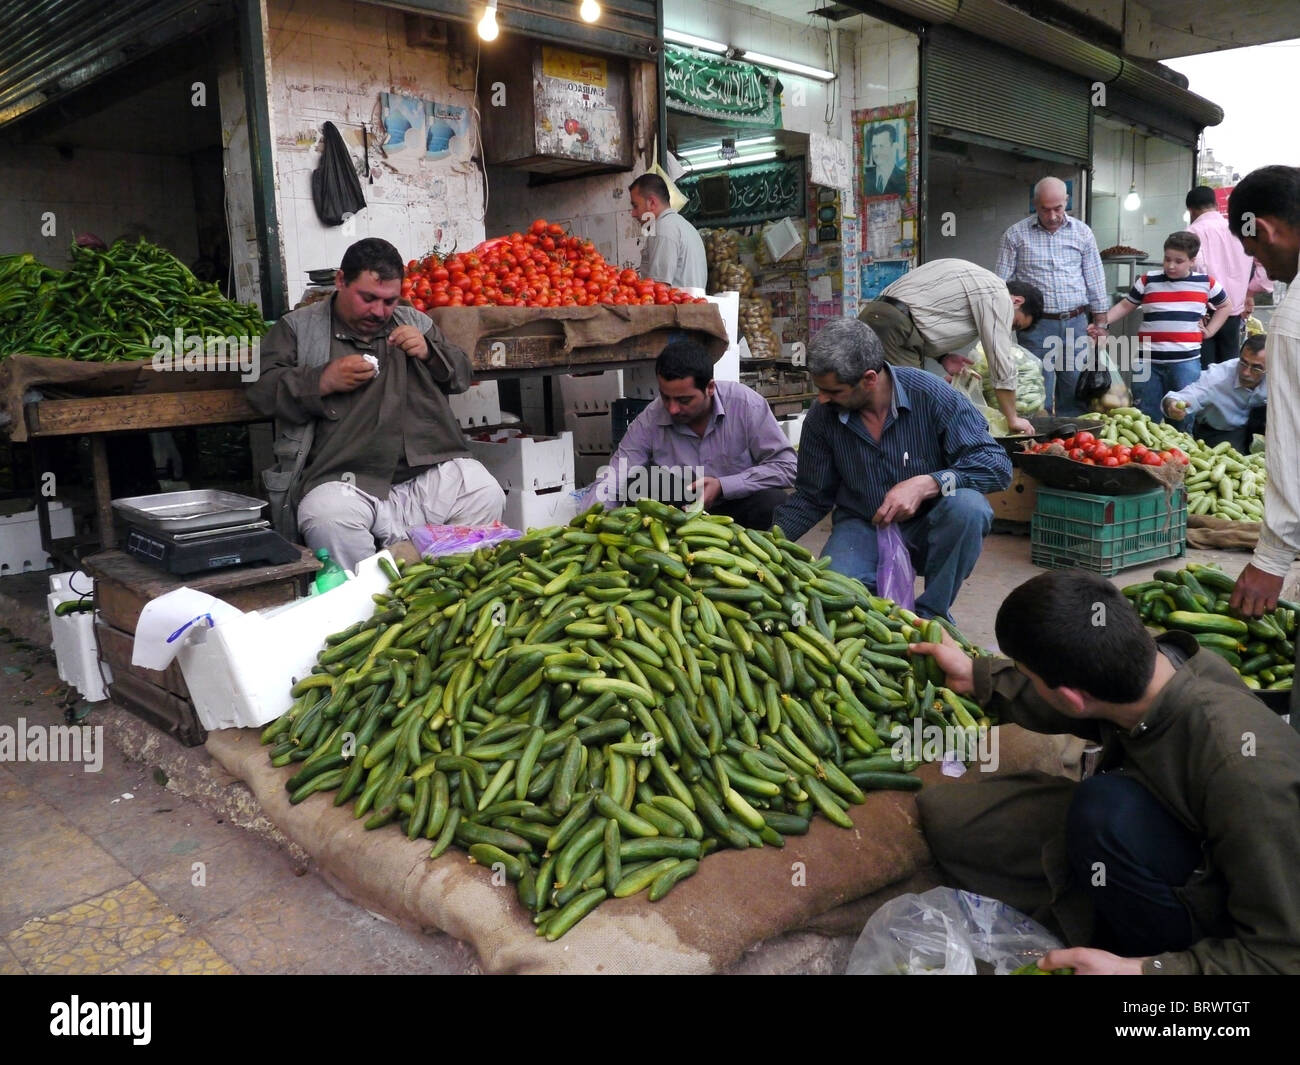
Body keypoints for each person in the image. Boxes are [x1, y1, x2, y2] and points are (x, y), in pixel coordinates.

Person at [912, 570, 1300, 975]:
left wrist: (1142, 970)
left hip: (1235, 923)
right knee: (952, 819)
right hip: (1162, 829)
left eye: (1028, 676)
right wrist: (977, 676)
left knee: (1101, 809)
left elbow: (1282, 957)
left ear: (1071, 696)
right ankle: (1087, 896)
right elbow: (1082, 697)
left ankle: (1119, 939)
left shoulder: (1247, 774)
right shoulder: (1156, 665)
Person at [246, 237, 505, 570]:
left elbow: (461, 376)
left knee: (483, 490)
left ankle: (444, 584)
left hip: (425, 476)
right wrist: (321, 381)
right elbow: (259, 389)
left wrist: (430, 352)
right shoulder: (299, 328)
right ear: (341, 281)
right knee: (326, 517)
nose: (379, 312)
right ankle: (370, 596)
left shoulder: (415, 322)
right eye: (368, 298)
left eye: (389, 301)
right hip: (347, 482)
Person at [772, 318, 1010, 621]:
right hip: (863, 524)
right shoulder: (822, 417)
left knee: (968, 507)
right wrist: (763, 544)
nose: (821, 399)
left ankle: (933, 615)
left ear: (869, 379)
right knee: (836, 600)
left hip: (932, 526)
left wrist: (929, 483)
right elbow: (811, 497)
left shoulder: (930, 394)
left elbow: (995, 464)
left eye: (834, 391)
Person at [592, 338, 796, 528]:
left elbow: (787, 466)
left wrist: (723, 486)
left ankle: (747, 549)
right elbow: (615, 476)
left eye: (684, 400)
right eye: (665, 397)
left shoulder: (745, 404)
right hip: (679, 511)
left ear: (710, 388)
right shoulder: (651, 418)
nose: (672, 409)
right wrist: (591, 522)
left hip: (737, 505)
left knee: (774, 501)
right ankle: (674, 547)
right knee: (637, 483)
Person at [1229, 167, 1300, 641]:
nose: (1265, 272)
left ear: (1265, 229)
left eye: (1255, 253)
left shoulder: (1293, 318)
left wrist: (1271, 558)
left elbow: (1292, 439)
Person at [857, 258, 1044, 435]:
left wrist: (943, 357)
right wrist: (1013, 418)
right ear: (1017, 301)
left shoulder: (980, 279)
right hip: (892, 324)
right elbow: (999, 359)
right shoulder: (998, 294)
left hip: (878, 316)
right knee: (911, 408)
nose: (1009, 329)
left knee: (873, 400)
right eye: (1015, 324)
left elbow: (922, 311)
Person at [995, 177, 1109, 416]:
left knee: (1074, 390)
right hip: (1036, 326)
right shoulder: (1015, 235)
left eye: (1058, 208)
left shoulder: (1082, 232)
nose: (1053, 216)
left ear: (1067, 201)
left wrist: (1101, 323)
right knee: (1036, 391)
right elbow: (1000, 285)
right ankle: (1039, 437)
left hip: (1076, 323)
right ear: (1035, 204)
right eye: (1045, 209)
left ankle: (1073, 437)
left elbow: (1095, 278)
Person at [1091, 230, 1230, 425]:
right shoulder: (1148, 280)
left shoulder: (1206, 283)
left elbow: (1225, 306)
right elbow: (1125, 306)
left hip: (1185, 363)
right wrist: (1102, 323)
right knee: (1145, 417)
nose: (1171, 265)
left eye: (1178, 261)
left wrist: (1211, 330)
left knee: (1182, 416)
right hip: (1147, 362)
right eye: (1167, 259)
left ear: (1192, 261)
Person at [1186, 185, 1274, 367]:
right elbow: (1265, 261)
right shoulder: (1241, 230)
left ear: (1191, 210)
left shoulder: (1192, 232)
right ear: (1217, 205)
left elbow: (1197, 267)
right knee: (1230, 367)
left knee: (1206, 370)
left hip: (1205, 313)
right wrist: (1249, 292)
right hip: (1235, 311)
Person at [1162, 334, 1267, 452]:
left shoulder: (1278, 378)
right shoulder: (1218, 377)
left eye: (1256, 368)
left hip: (1259, 428)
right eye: (1243, 363)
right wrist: (1171, 405)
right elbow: (1181, 397)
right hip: (1221, 431)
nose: (1246, 372)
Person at [628, 173, 707, 291]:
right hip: (692, 301)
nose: (633, 214)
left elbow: (659, 290)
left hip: (679, 302)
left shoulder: (663, 229)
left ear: (652, 203)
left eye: (635, 206)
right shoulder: (684, 226)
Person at [863, 124, 907, 197]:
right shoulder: (864, 180)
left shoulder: (906, 179)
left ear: (893, 147)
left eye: (881, 146)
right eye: (874, 146)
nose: (877, 152)